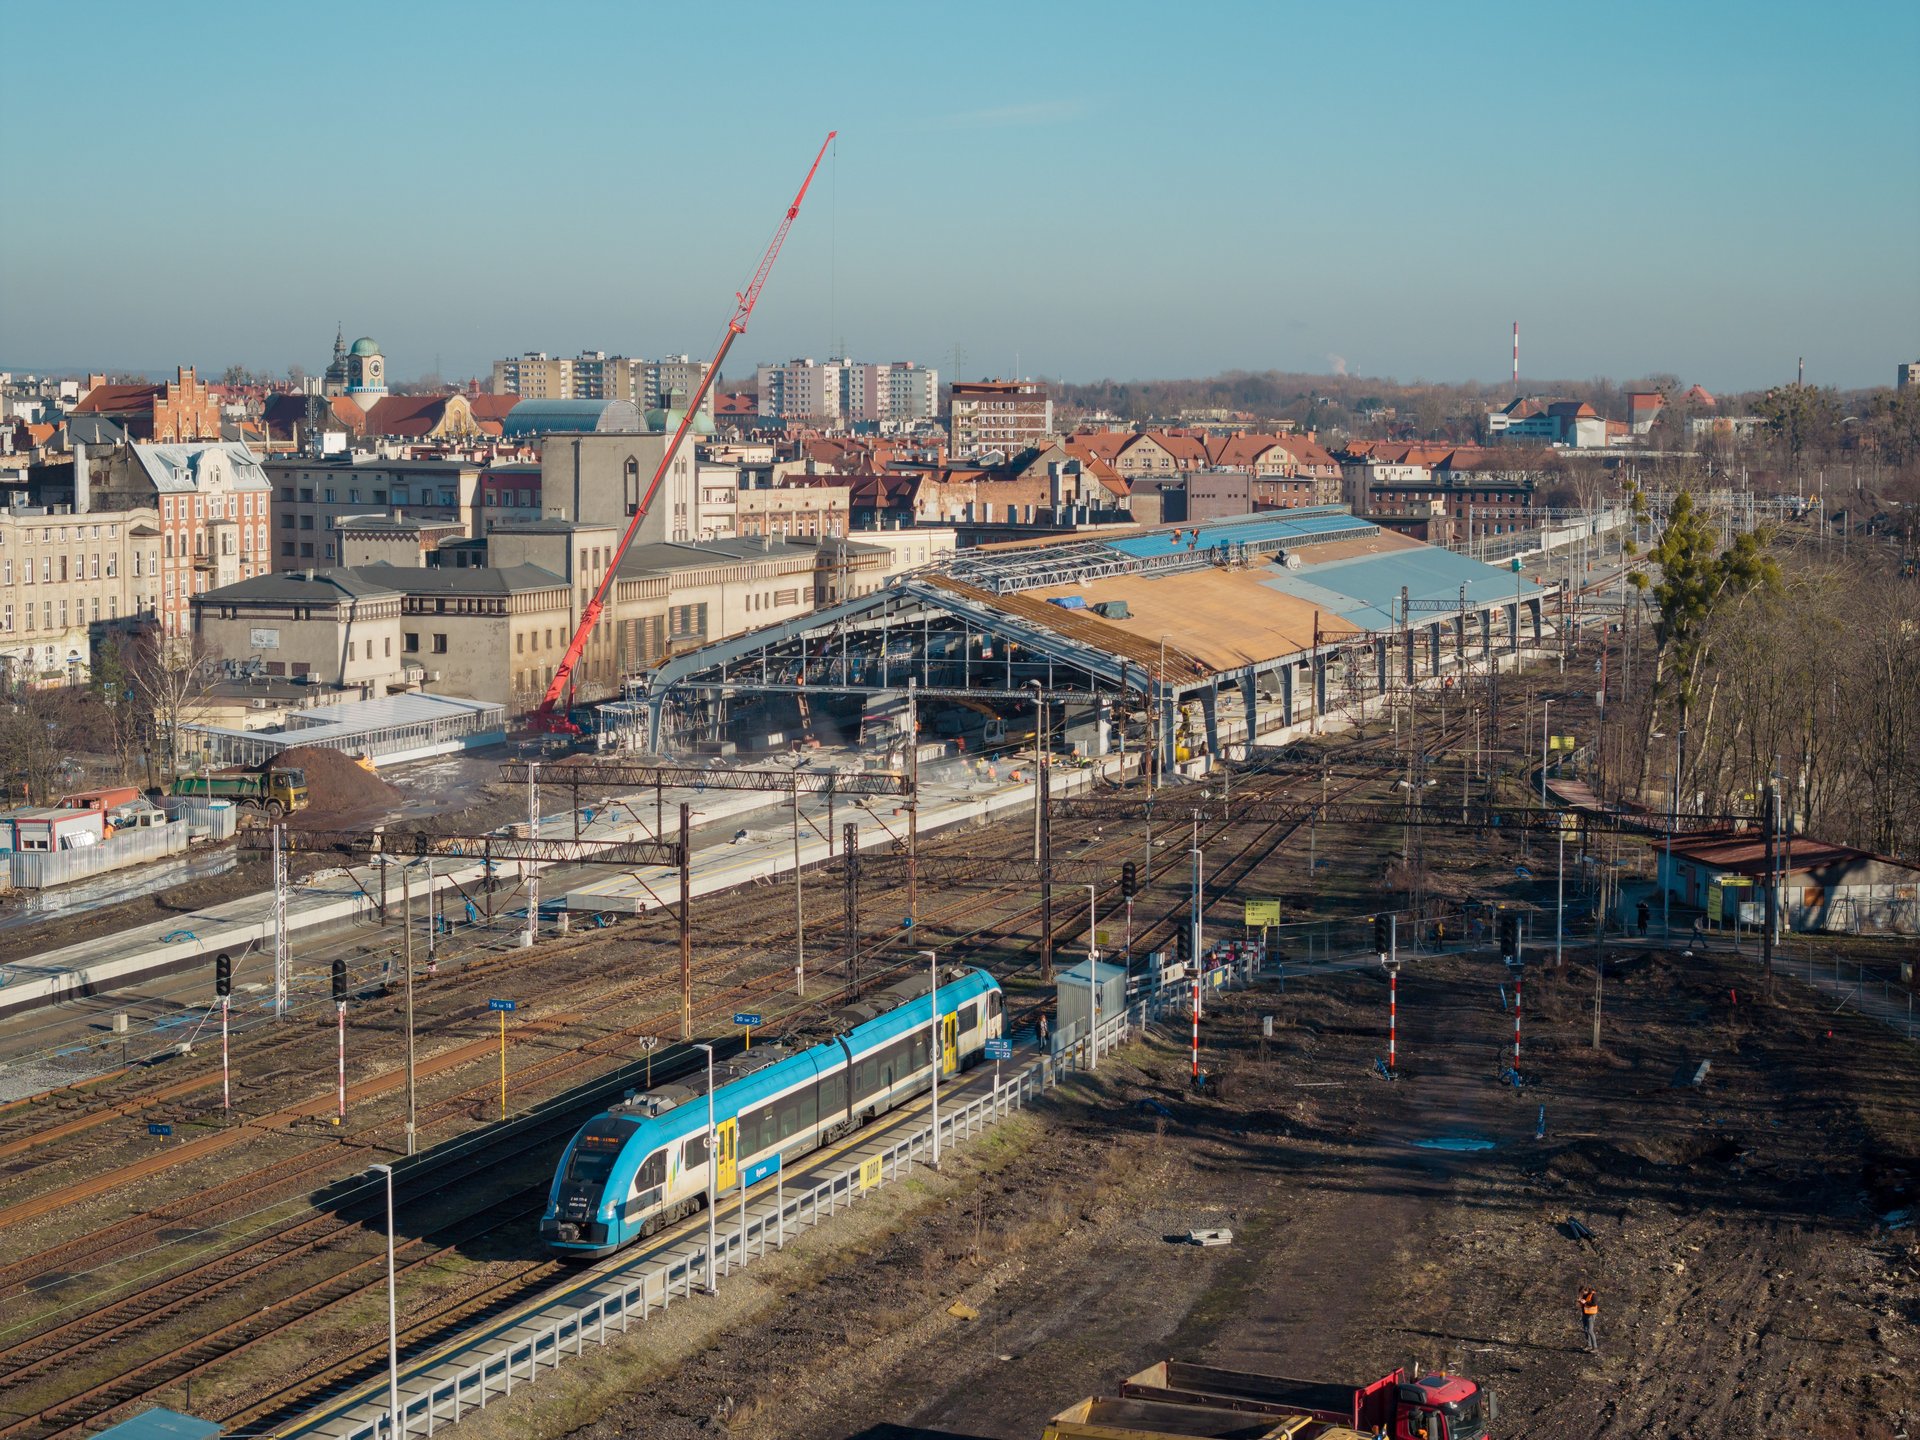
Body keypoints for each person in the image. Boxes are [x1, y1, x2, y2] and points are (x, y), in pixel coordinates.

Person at [1579, 1285, 1599, 1352]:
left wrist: (1586, 1302)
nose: (1582, 1293)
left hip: (1591, 1314)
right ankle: (1589, 1345)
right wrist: (1580, 1302)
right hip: (1585, 1314)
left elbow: (1594, 1303)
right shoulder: (1584, 1295)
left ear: (1586, 1290)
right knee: (1585, 1330)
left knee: (1590, 1330)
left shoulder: (1593, 1295)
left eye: (1582, 1292)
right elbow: (1584, 1305)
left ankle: (1595, 1347)